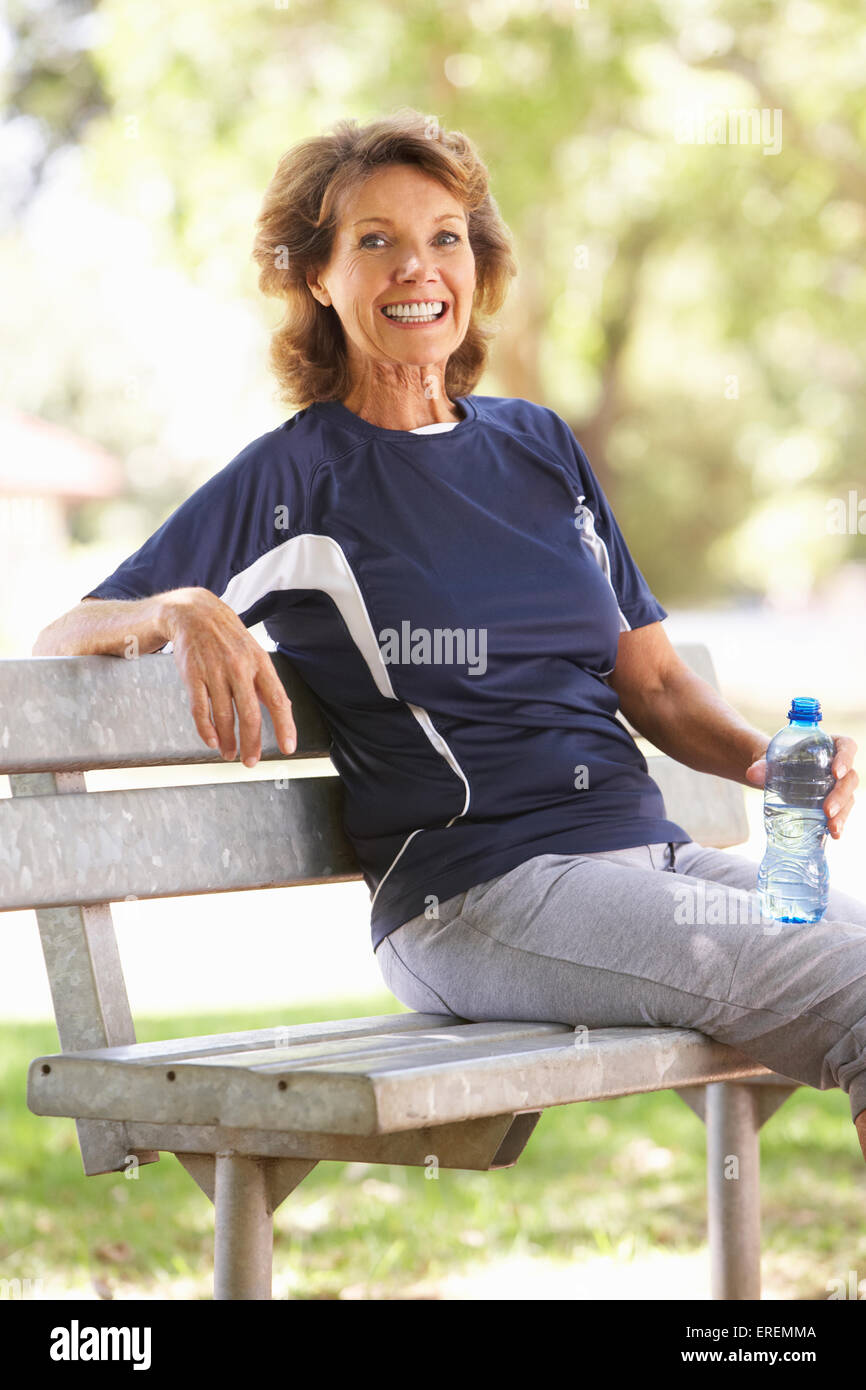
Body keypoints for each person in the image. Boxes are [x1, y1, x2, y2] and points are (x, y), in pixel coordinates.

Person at [33, 109, 865, 1157]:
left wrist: (767, 758)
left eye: (444, 235)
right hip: (477, 899)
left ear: (477, 263)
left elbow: (648, 684)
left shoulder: (538, 445)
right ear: (316, 279)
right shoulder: (301, 476)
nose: (416, 265)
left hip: (651, 864)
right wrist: (178, 605)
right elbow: (65, 633)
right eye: (373, 239)